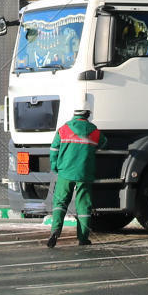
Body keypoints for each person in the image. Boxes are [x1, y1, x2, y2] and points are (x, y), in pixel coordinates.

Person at [45, 106, 104, 248]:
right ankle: (83, 238)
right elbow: (103, 143)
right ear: (87, 116)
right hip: (84, 173)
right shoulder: (94, 131)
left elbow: (54, 149)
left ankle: (55, 232)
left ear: (74, 115)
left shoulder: (63, 129)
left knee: (60, 202)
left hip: (65, 172)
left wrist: (55, 166)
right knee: (84, 205)